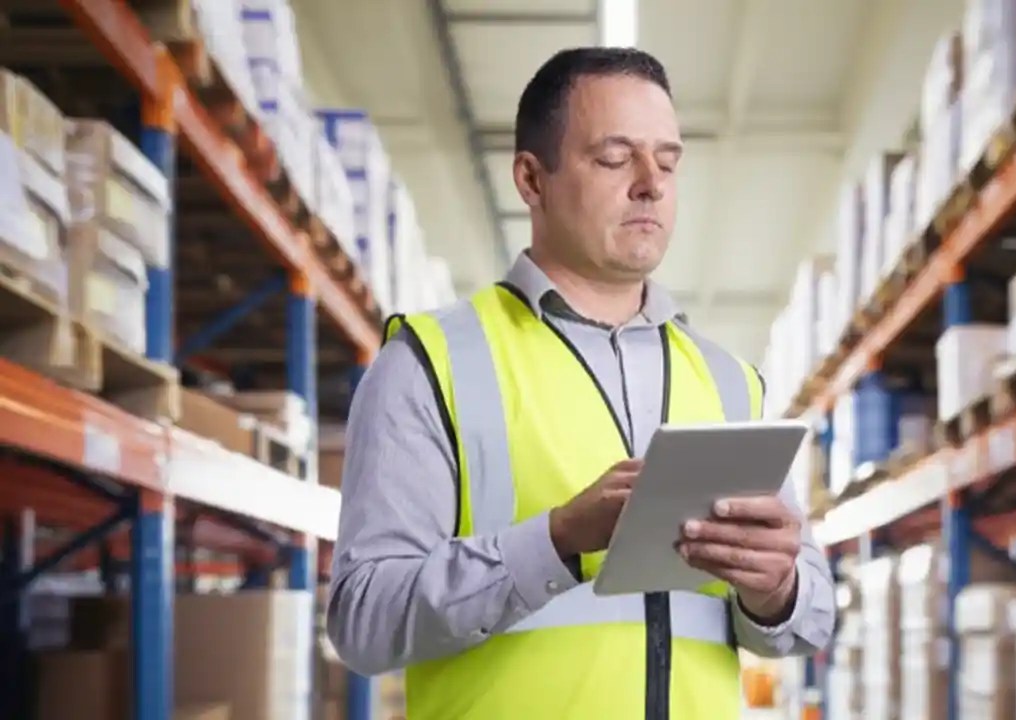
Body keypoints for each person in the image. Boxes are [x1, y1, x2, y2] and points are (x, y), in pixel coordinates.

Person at [327, 46, 836, 720]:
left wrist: (775, 589)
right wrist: (556, 539)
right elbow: (363, 620)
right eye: (615, 158)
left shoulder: (729, 381)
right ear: (531, 180)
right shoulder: (432, 363)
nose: (651, 184)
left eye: (668, 162)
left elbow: (813, 618)